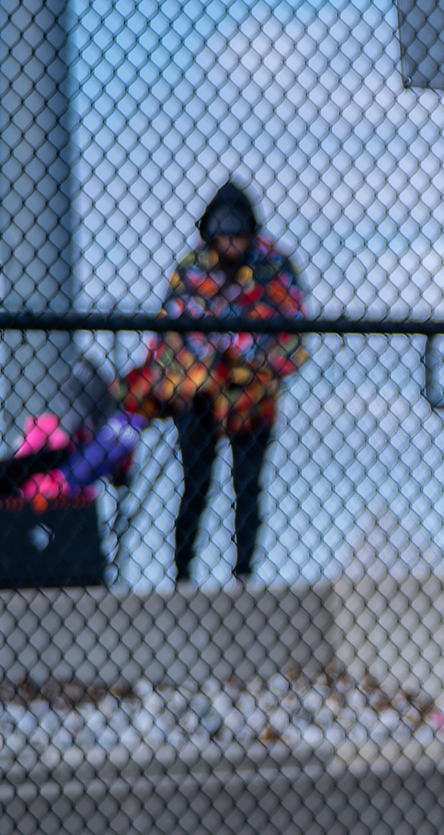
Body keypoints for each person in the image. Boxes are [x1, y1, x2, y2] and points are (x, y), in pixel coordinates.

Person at [147, 181, 306, 583]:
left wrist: (257, 364)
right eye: (223, 234)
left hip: (253, 394)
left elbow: (293, 333)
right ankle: (182, 573)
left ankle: (243, 574)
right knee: (195, 484)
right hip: (199, 394)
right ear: (210, 233)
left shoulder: (275, 267)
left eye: (238, 234)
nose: (230, 243)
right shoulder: (191, 268)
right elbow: (169, 334)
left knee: (248, 484)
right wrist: (181, 383)